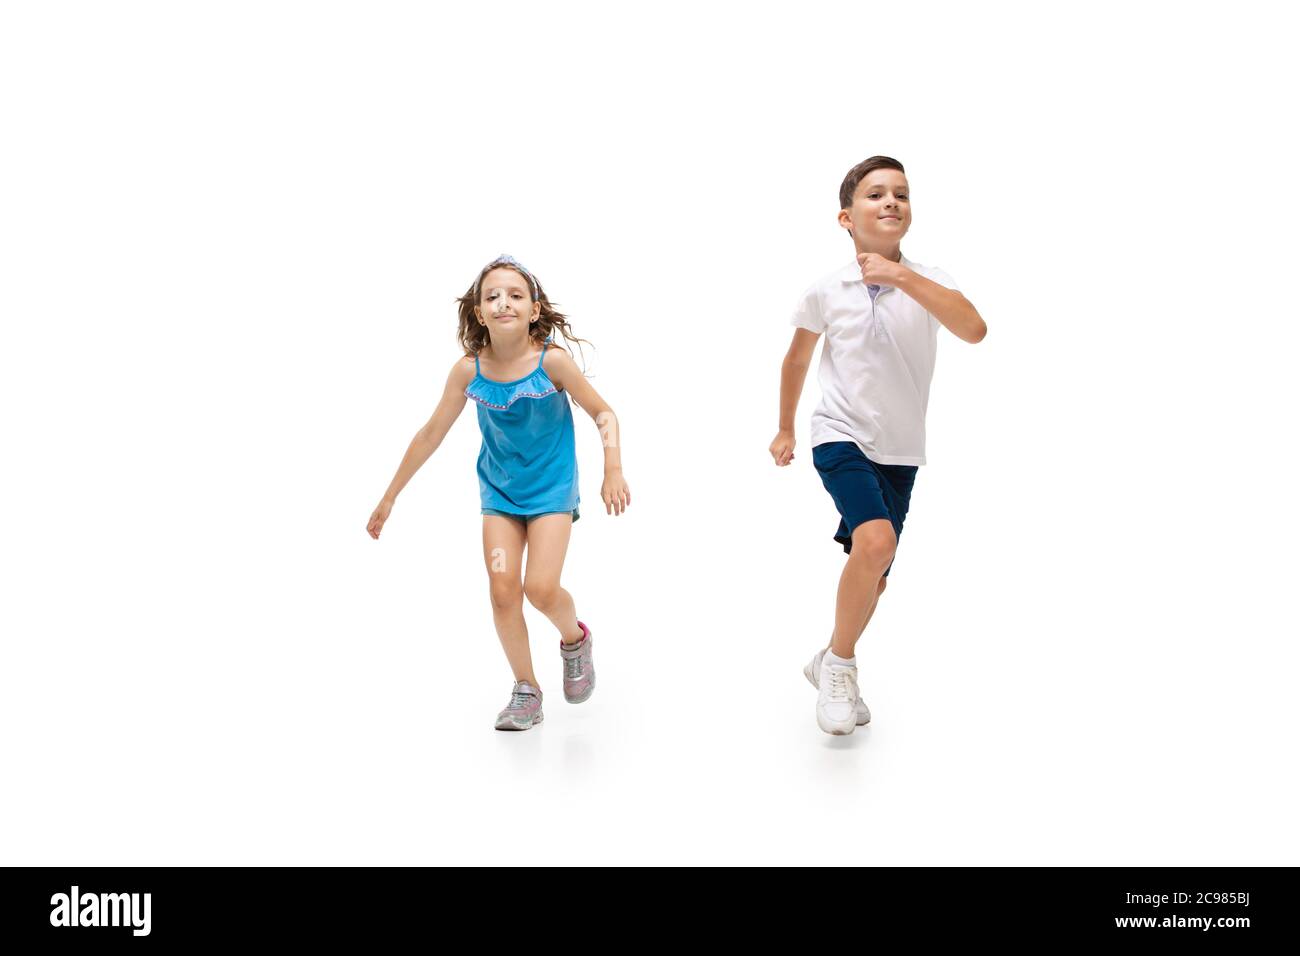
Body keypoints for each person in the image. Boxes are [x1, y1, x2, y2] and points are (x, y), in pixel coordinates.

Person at [771, 157, 987, 735]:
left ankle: (828, 656)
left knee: (875, 573)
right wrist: (786, 427)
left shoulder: (930, 280)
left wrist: (901, 278)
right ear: (846, 217)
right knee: (875, 540)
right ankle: (841, 668)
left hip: (901, 449)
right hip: (839, 434)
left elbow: (974, 330)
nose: (891, 201)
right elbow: (796, 359)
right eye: (875, 194)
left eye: (901, 194)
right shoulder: (827, 289)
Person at [368, 254, 631, 731]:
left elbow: (604, 414)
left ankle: (574, 640)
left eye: (514, 295)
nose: (503, 302)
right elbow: (430, 434)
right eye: (492, 296)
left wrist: (612, 468)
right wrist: (390, 496)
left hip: (551, 490)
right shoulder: (468, 371)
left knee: (540, 588)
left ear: (533, 310)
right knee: (504, 591)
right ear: (479, 311)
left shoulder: (552, 361)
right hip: (501, 495)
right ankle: (526, 690)